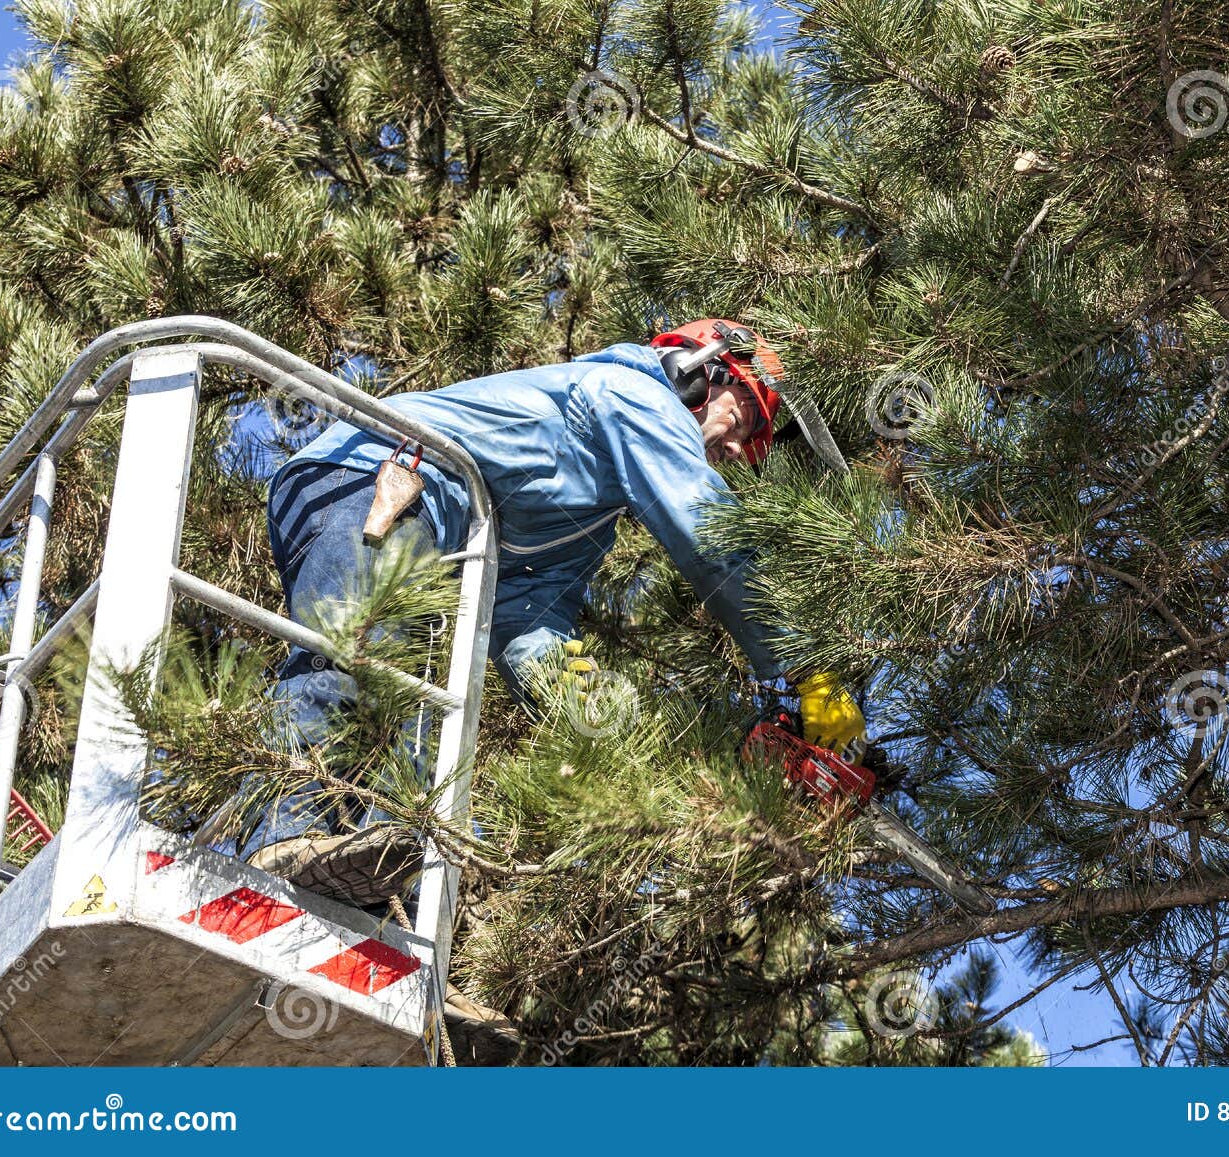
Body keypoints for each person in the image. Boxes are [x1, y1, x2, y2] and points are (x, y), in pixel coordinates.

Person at [231, 319, 866, 1063]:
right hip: (372, 477)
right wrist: (805, 671)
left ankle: (358, 921)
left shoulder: (588, 518)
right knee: (358, 656)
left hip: (431, 523)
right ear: (700, 370)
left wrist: (649, 752)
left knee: (412, 731)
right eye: (744, 421)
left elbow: (530, 628)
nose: (735, 450)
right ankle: (277, 846)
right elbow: (710, 536)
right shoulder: (631, 393)